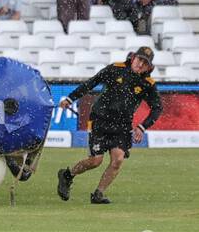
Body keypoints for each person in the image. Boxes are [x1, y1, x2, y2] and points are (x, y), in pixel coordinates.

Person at [56, 47, 163, 205]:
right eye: (139, 60)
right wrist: (71, 99)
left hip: (122, 126)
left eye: (145, 63)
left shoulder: (148, 84)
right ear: (133, 58)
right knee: (95, 161)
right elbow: (92, 82)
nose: (140, 64)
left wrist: (142, 126)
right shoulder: (115, 69)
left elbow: (157, 108)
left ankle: (98, 194)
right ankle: (67, 175)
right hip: (100, 120)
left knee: (118, 159)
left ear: (149, 67)